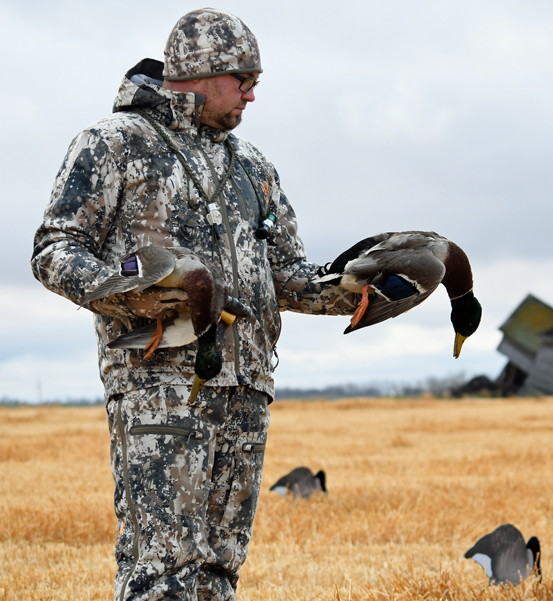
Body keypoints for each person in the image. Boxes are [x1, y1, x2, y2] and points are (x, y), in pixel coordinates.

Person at [30, 8, 358, 600]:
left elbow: (287, 276)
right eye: (245, 81)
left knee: (218, 574)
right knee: (163, 572)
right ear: (204, 75)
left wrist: (361, 291)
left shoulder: (252, 165)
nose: (253, 97)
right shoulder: (114, 145)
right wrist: (131, 296)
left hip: (247, 388)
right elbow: (54, 249)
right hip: (159, 385)